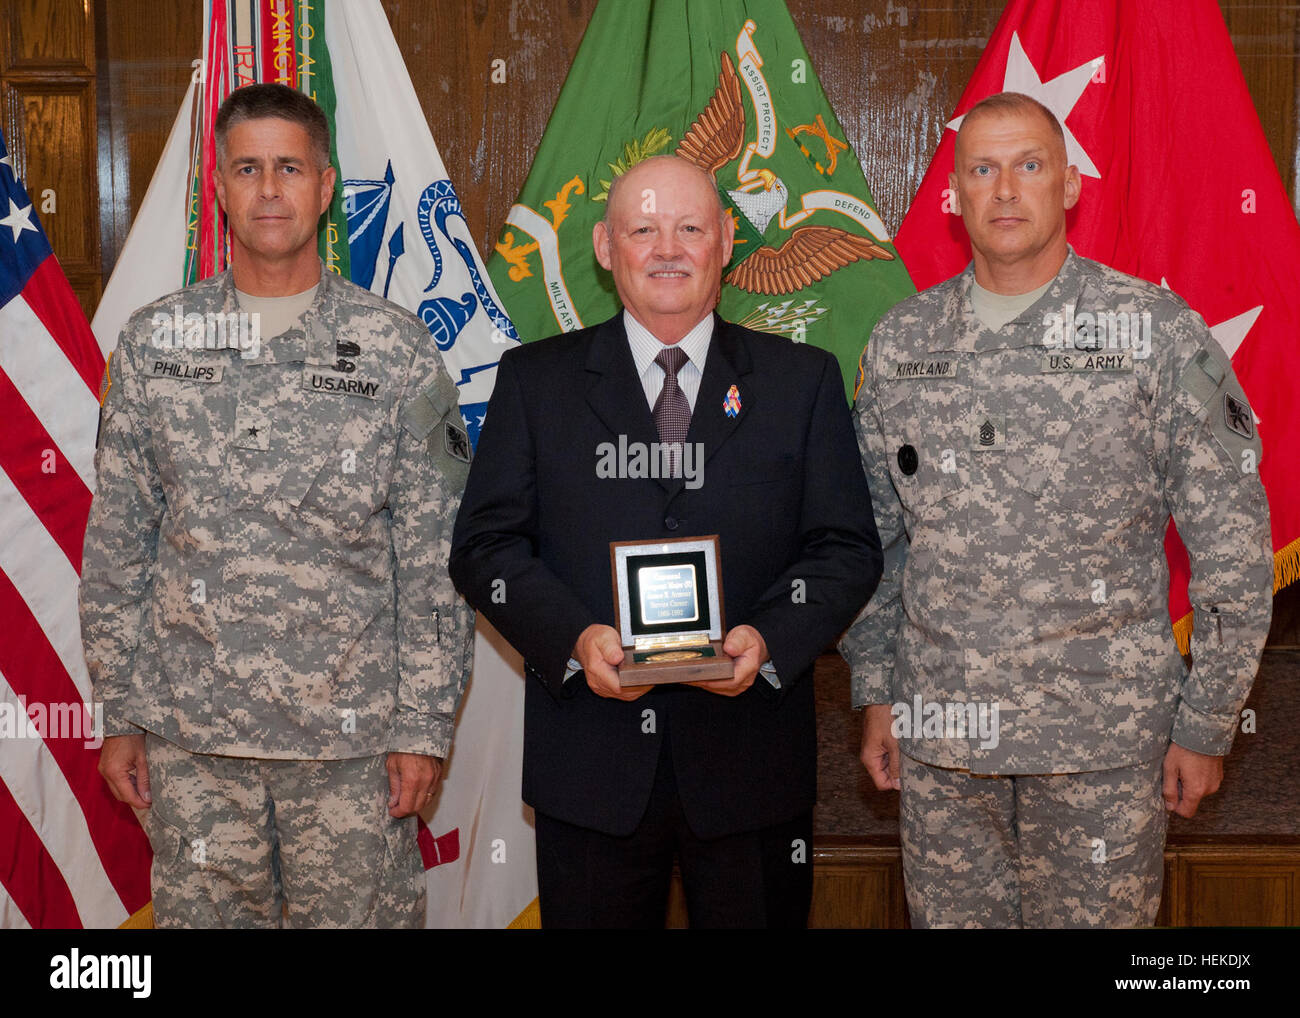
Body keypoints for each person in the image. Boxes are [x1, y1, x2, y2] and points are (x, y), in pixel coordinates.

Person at [840, 91, 1273, 928]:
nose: (1006, 191)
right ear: (954, 194)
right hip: (942, 746)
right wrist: (877, 688)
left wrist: (1209, 721)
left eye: (1030, 166)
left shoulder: (1157, 331)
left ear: (1071, 185)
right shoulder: (902, 343)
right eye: (984, 170)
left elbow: (1234, 544)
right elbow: (874, 539)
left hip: (1104, 753)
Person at [449, 154, 881, 928]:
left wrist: (768, 638)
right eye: (643, 229)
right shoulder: (534, 383)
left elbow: (846, 548)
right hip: (591, 765)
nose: (668, 248)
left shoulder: (802, 380)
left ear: (725, 243)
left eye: (689, 228)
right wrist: (577, 639)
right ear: (606, 248)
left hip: (751, 765)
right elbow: (485, 546)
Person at [80, 83, 474, 928]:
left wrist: (422, 724)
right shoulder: (155, 345)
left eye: (289, 168)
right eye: (248, 168)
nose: (268, 190)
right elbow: (118, 546)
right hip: (194, 749)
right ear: (217, 187)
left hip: (353, 751)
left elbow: (437, 555)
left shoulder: (398, 349)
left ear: (325, 186)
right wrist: (121, 711)